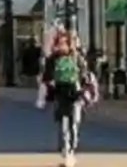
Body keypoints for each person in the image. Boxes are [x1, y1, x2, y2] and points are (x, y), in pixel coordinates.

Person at [38, 30, 95, 167]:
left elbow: (84, 74)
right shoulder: (53, 59)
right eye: (60, 43)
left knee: (74, 122)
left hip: (75, 95)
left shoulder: (77, 57)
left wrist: (84, 87)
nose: (62, 46)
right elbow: (46, 77)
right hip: (60, 93)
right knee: (63, 124)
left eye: (65, 43)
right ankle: (66, 149)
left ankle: (72, 146)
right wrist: (50, 84)